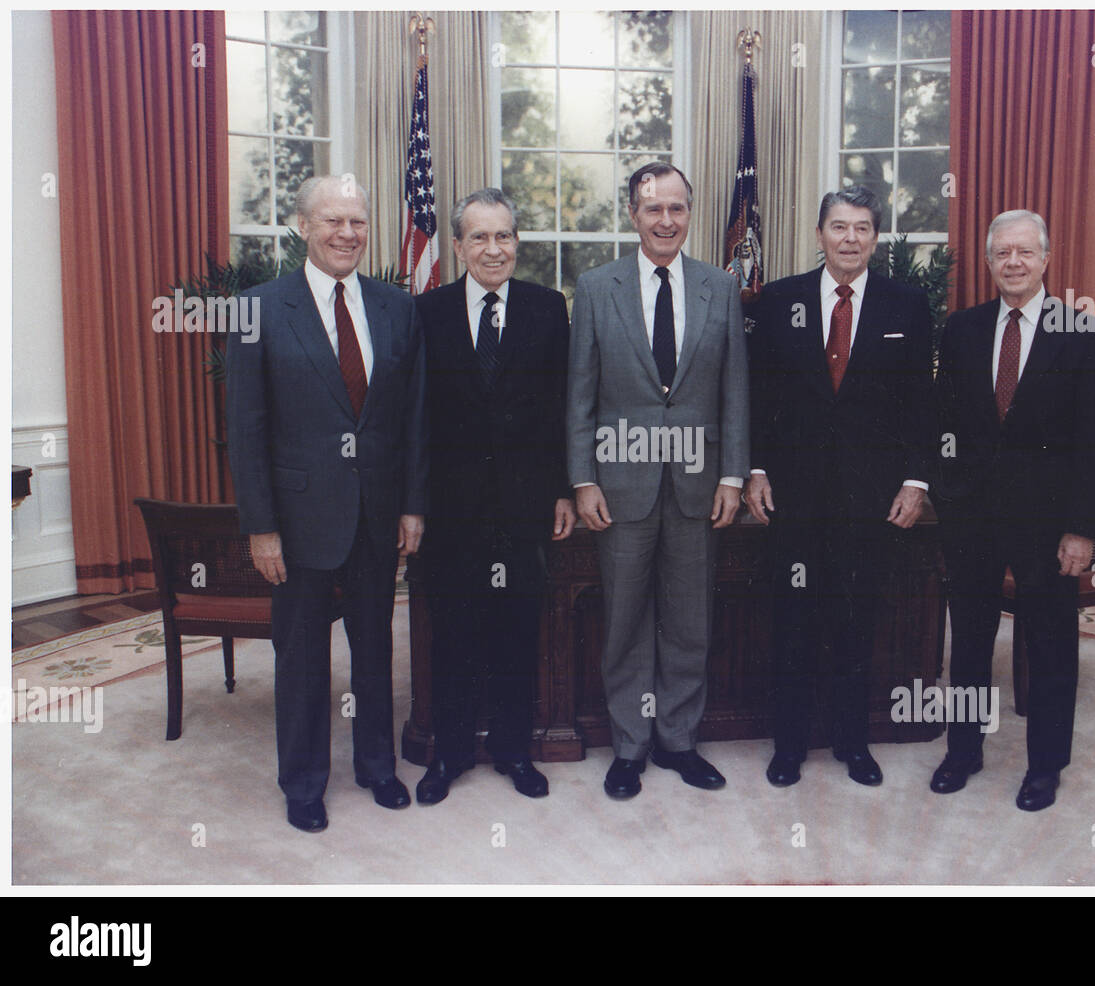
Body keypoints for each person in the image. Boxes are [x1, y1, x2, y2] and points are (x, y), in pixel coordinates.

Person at [226, 175, 429, 832]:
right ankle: (304, 782)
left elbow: (413, 419)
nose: (347, 234)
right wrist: (261, 529)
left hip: (376, 514)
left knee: (375, 651)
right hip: (299, 519)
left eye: (357, 223)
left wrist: (411, 507)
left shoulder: (397, 308)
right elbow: (247, 429)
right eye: (333, 222)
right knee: (303, 656)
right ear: (304, 228)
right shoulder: (259, 308)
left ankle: (377, 767)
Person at [567, 162, 749, 799]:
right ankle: (629, 745)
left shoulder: (718, 286)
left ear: (690, 214)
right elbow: (580, 395)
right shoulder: (595, 287)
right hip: (620, 485)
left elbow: (734, 391)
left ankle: (678, 741)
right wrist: (583, 480)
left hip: (700, 486)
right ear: (632, 215)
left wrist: (732, 474)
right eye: (653, 209)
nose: (666, 220)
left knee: (688, 618)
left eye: (677, 208)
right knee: (624, 620)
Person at [745, 186, 936, 788]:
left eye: (861, 228)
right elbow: (756, 395)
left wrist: (914, 480)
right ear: (819, 233)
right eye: (838, 226)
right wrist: (753, 468)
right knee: (793, 621)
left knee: (857, 622)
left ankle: (855, 742)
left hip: (869, 498)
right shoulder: (779, 302)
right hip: (794, 498)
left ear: (875, 238)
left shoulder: (908, 305)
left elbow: (922, 404)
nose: (849, 238)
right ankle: (789, 745)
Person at [928, 209, 1095, 811]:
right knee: (971, 641)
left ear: (1045, 259)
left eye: (1025, 253)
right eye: (1002, 253)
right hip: (972, 519)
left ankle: (1045, 768)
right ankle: (963, 751)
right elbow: (946, 423)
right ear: (988, 261)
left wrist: (1081, 530)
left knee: (1052, 645)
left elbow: (1093, 444)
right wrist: (948, 494)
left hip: (1048, 525)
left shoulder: (1084, 333)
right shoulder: (961, 328)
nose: (1013, 262)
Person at [411, 188, 574, 805]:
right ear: (457, 246)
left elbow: (562, 407)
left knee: (516, 632)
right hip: (451, 510)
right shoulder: (426, 313)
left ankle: (513, 751)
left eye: (503, 235)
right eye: (478, 237)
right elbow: (415, 418)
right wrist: (415, 503)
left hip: (526, 506)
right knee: (451, 634)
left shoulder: (545, 307)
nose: (493, 248)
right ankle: (448, 755)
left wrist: (560, 489)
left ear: (516, 242)